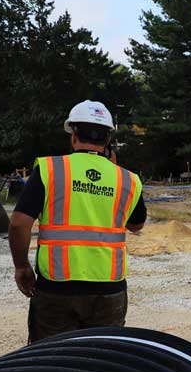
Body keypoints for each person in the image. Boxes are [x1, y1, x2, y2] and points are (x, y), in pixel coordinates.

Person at [8, 100, 146, 342]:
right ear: (108, 140)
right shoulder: (128, 179)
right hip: (108, 290)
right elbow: (136, 225)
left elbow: (19, 224)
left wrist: (22, 266)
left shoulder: (50, 169)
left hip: (57, 288)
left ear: (73, 135)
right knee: (102, 360)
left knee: (51, 360)